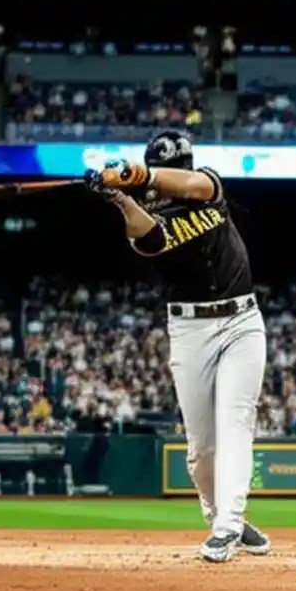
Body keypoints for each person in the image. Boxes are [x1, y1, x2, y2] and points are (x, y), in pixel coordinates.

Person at [85, 130, 269, 563]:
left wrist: (133, 174)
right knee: (202, 448)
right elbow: (149, 243)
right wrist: (119, 198)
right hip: (190, 329)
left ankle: (227, 527)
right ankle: (223, 519)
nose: (179, 173)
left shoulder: (206, 186)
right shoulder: (150, 210)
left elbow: (189, 185)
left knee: (236, 424)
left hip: (243, 320)